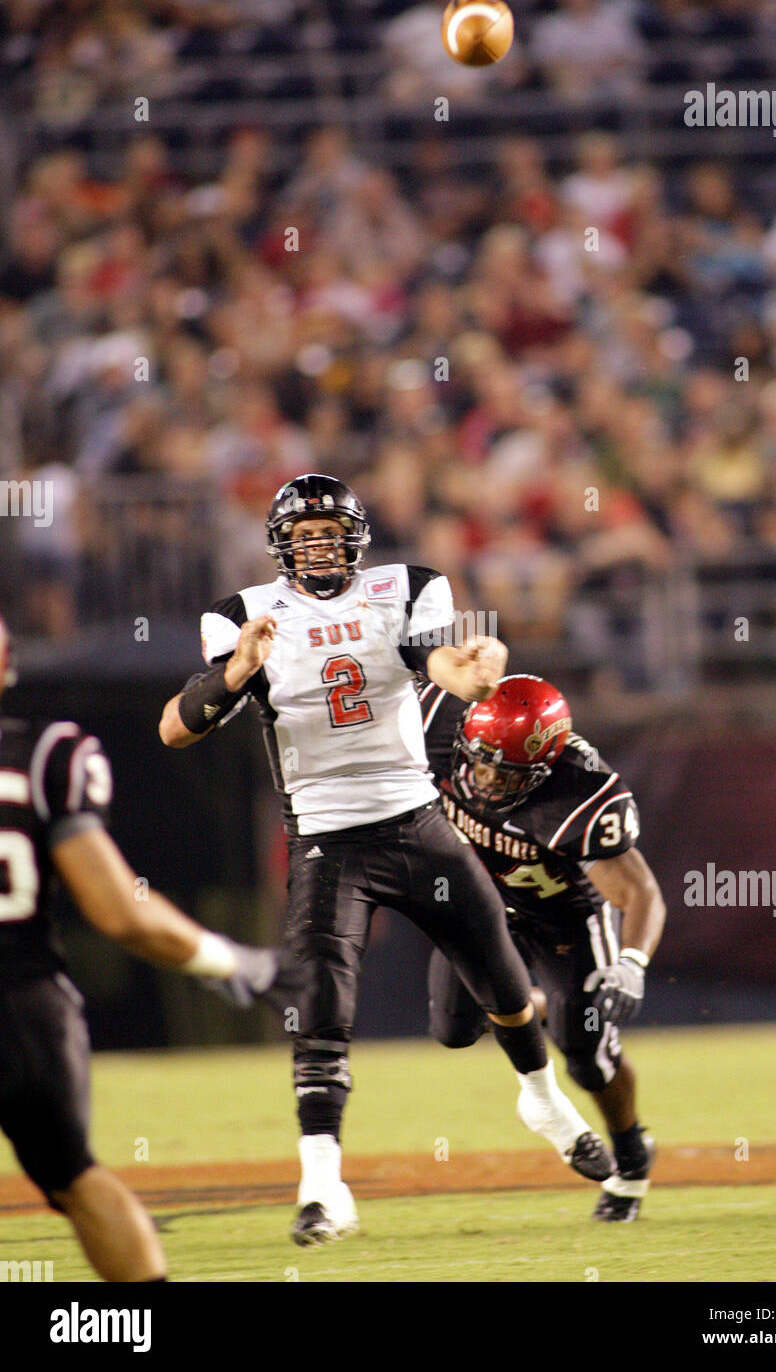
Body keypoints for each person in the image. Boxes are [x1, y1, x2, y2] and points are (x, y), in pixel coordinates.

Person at [159, 474, 614, 1246]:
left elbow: (430, 659)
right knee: (322, 1017)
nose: (317, 548)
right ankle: (323, 1189)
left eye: (329, 533)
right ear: (280, 546)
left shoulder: (406, 587)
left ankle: (542, 1099)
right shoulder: (242, 615)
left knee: (503, 979)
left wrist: (468, 678)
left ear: (355, 537)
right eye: (302, 536)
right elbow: (175, 728)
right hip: (327, 839)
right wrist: (236, 671)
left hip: (416, 821)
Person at [0, 615, 281, 1281]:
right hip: (17, 999)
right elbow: (120, 914)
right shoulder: (43, 753)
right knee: (74, 1179)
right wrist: (232, 961)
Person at [420, 673, 666, 1221]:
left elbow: (640, 891)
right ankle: (531, 1007)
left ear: (544, 764)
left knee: (585, 1056)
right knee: (452, 1030)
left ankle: (630, 1149)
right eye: (477, 760)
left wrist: (632, 962)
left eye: (503, 771)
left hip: (566, 921)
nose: (483, 778)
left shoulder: (578, 792)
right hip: (480, 909)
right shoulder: (436, 720)